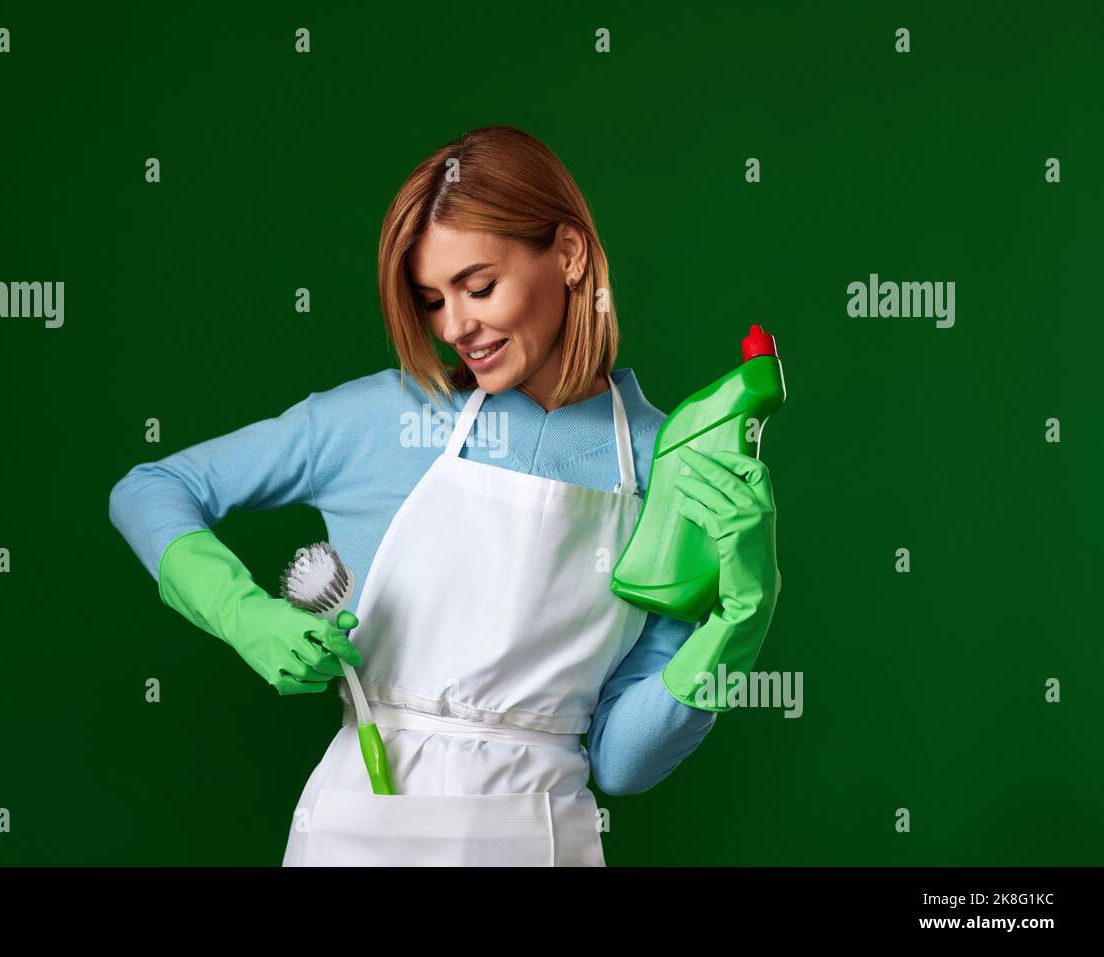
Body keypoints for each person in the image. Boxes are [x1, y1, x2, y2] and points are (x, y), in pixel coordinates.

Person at [109, 125, 781, 866]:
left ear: (569, 252)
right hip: (362, 839)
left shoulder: (663, 460)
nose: (455, 327)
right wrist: (244, 615)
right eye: (432, 300)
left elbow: (623, 761)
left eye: (478, 285)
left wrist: (734, 625)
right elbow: (151, 489)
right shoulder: (385, 420)